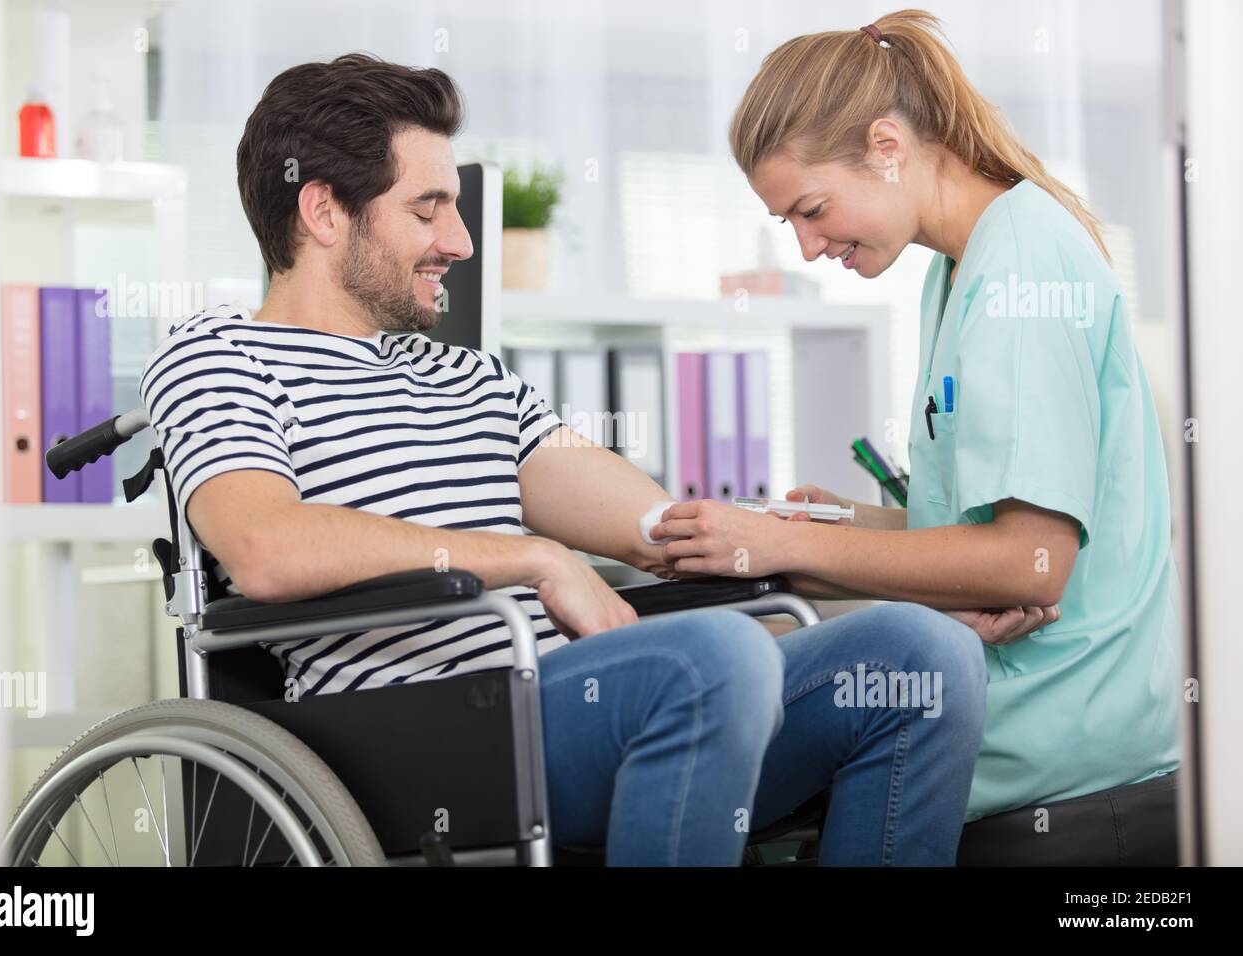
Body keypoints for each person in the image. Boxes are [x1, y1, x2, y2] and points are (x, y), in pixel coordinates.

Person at [140, 52, 990, 866]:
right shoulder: (219, 356)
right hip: (408, 740)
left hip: (566, 709)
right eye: (429, 208)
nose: (463, 241)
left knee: (922, 656)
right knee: (712, 658)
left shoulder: (467, 374)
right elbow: (265, 548)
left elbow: (666, 529)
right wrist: (533, 558)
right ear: (323, 211)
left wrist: (926, 571)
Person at [654, 10, 1180, 863]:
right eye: (789, 223)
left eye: (812, 209)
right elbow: (989, 530)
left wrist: (773, 546)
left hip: (1067, 772)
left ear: (888, 144)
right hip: (1024, 743)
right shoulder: (960, 266)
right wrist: (838, 525)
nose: (808, 243)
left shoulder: (1020, 271)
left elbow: (1028, 562)